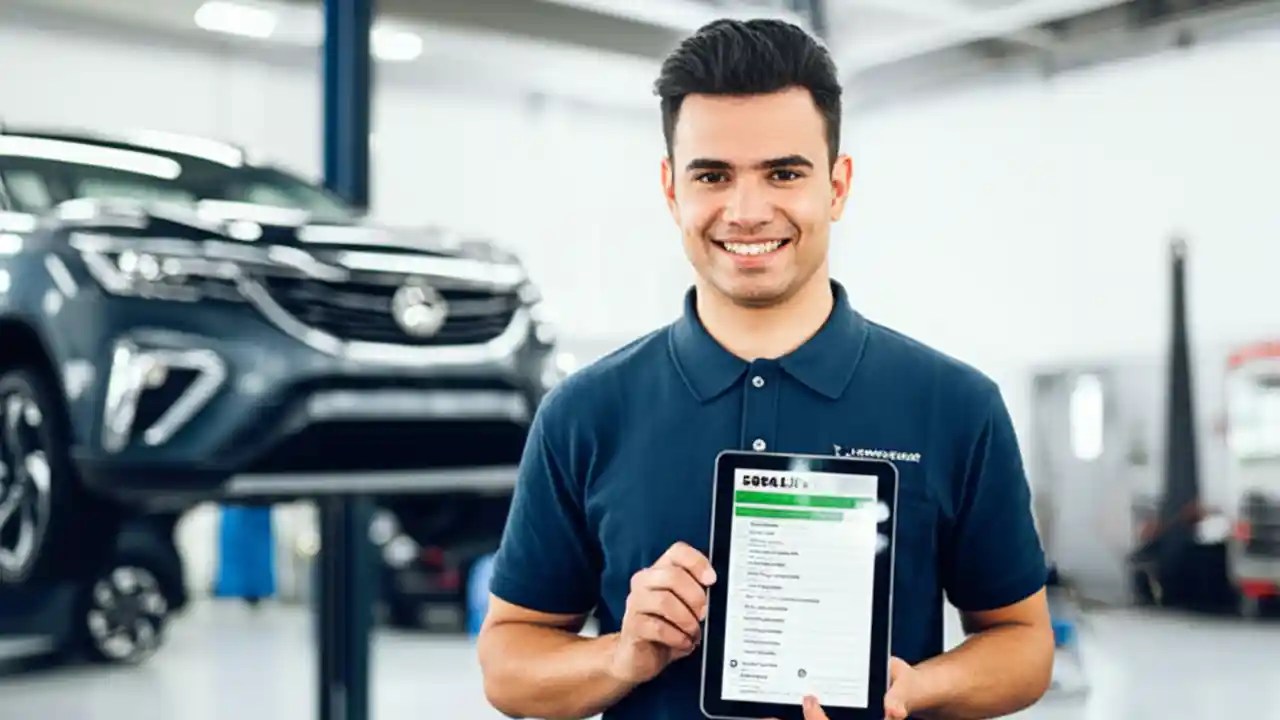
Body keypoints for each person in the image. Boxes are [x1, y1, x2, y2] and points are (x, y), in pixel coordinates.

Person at [476, 17, 1054, 720]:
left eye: (784, 173)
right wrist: (621, 655)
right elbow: (508, 665)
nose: (747, 212)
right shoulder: (585, 414)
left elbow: (1023, 643)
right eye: (713, 175)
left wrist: (913, 689)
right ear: (670, 190)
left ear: (837, 186)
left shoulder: (955, 406)